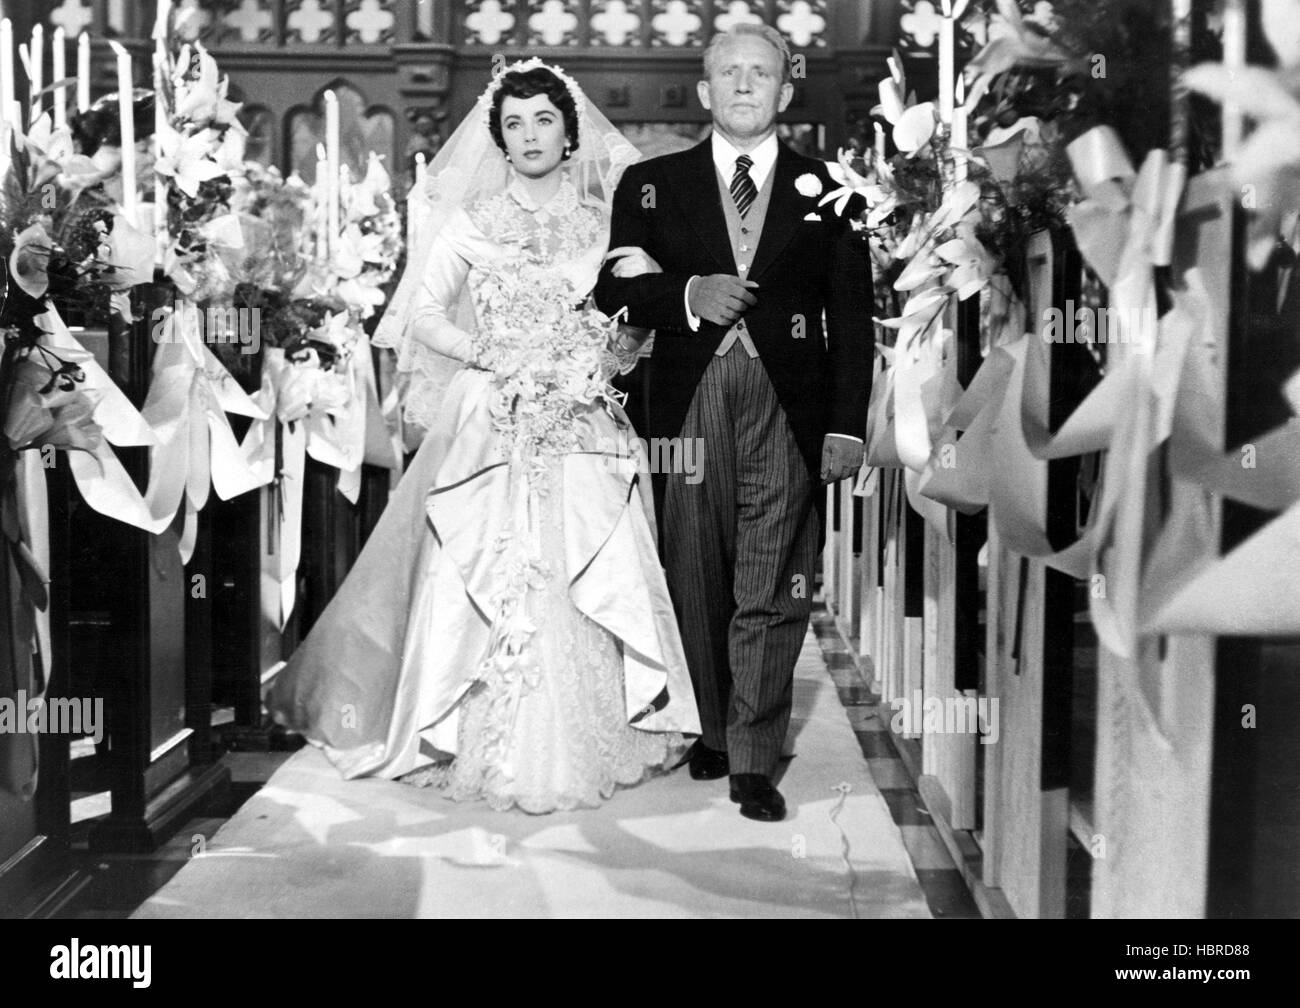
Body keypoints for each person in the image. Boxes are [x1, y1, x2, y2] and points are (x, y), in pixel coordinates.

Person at [265, 60, 701, 814]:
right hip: (492, 409)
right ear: (498, 139)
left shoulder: (607, 223)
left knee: (585, 563)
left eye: (543, 122)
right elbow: (420, 318)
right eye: (514, 124)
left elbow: (636, 324)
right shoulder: (470, 221)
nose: (529, 136)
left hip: (577, 412)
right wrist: (490, 355)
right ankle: (463, 733)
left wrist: (595, 361)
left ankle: (597, 731)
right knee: (480, 563)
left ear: (570, 135)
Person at [593, 24, 873, 822]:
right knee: (694, 567)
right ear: (706, 92)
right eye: (729, 73)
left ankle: (753, 755)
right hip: (687, 403)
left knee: (773, 576)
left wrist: (847, 425)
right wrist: (687, 295)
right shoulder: (650, 184)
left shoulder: (834, 192)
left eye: (763, 73)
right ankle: (711, 725)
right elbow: (611, 293)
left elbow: (853, 320)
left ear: (786, 92)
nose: (746, 85)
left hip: (788, 404)